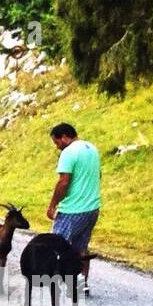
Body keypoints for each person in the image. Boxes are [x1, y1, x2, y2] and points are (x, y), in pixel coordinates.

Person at [45, 122, 99, 293]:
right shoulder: (92, 148)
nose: (57, 147)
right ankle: (82, 281)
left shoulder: (69, 153)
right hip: (92, 208)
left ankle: (59, 281)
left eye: (57, 142)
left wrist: (52, 205)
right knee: (81, 247)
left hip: (72, 209)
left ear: (65, 137)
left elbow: (64, 182)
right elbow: (98, 175)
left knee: (57, 245)